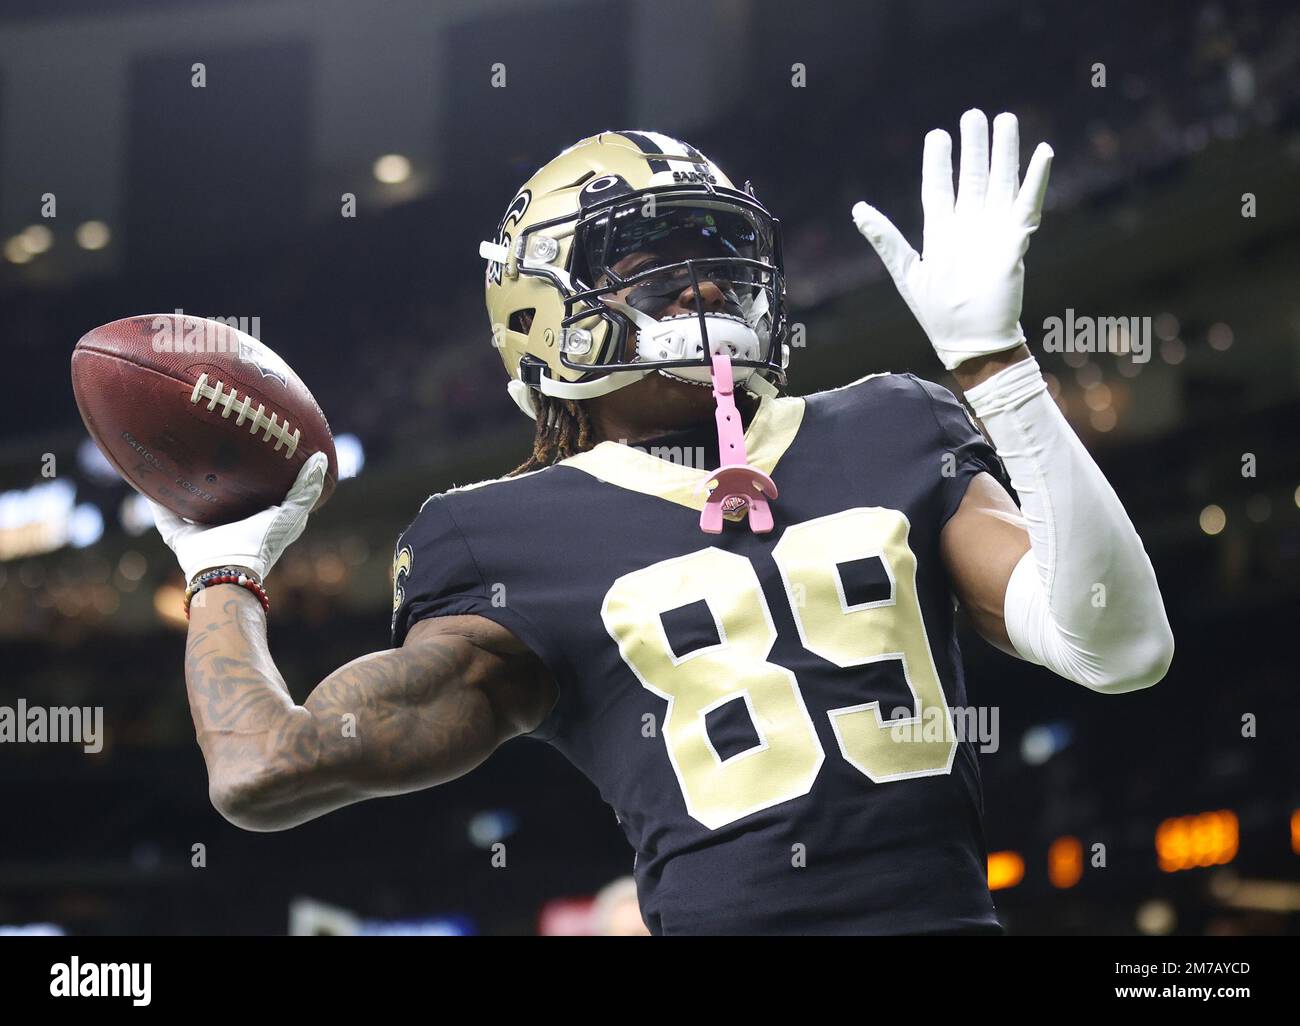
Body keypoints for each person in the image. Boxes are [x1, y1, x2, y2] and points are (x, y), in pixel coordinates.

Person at [153, 114, 1173, 935]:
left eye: (717, 247)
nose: (698, 278)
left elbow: (1115, 643)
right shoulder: (497, 536)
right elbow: (265, 765)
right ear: (535, 310)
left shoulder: (894, 421)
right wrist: (223, 572)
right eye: (643, 254)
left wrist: (997, 367)